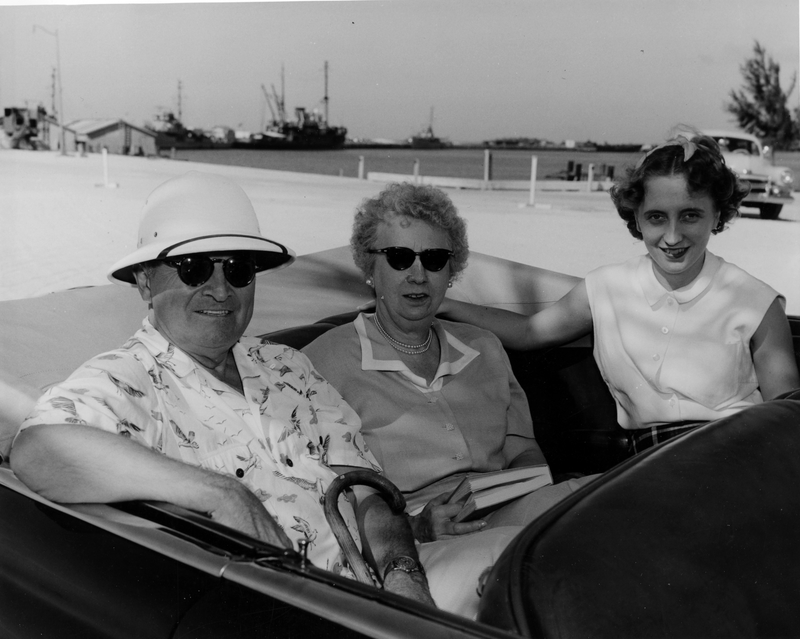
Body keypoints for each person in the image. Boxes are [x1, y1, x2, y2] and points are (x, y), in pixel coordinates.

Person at [11, 171, 435, 607]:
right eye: (193, 269)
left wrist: (405, 579)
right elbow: (38, 450)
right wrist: (224, 494)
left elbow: (367, 488)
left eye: (238, 269)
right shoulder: (125, 378)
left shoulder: (288, 365)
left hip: (378, 604)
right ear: (144, 282)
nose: (220, 290)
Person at [437, 132, 800, 452]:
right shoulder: (607, 286)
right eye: (657, 217)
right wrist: (444, 304)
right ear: (636, 219)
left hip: (736, 454)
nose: (672, 237)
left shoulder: (756, 300)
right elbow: (529, 332)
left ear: (718, 216)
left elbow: (785, 414)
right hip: (642, 463)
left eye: (690, 216)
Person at [304, 183, 594, 548]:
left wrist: (518, 491)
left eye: (435, 259)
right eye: (398, 257)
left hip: (509, 513)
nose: (418, 274)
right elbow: (330, 493)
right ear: (369, 267)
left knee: (611, 504)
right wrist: (414, 527)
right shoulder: (322, 361)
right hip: (417, 542)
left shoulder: (484, 347)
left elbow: (523, 452)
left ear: (451, 271)